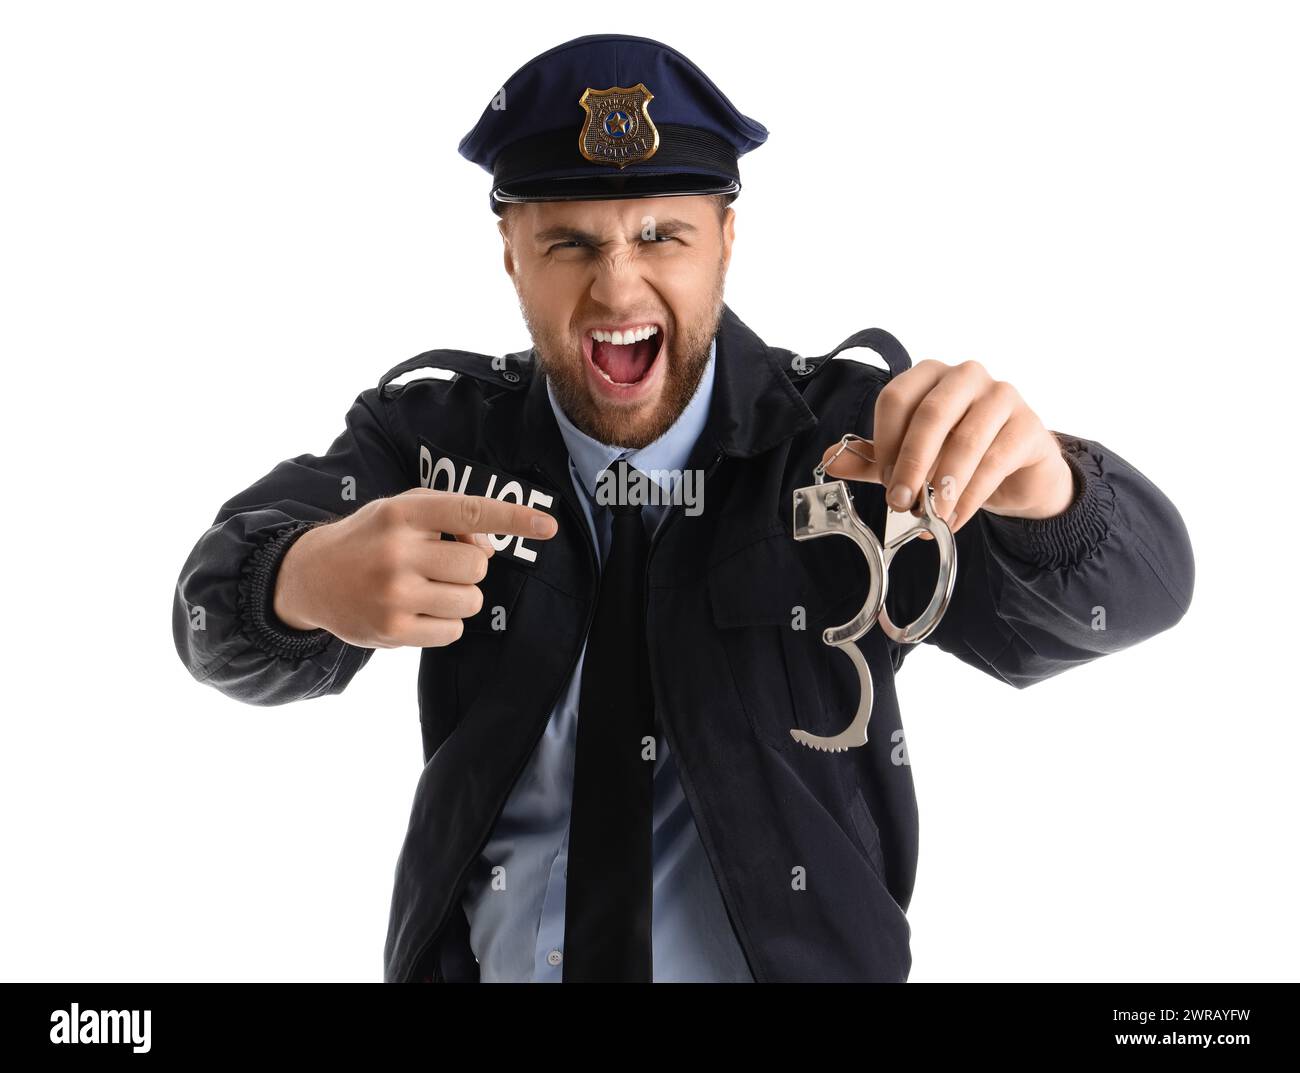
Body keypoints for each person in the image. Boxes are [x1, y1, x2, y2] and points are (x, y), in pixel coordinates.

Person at [172, 33, 1196, 982]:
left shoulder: (851, 443)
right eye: (570, 243)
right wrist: (302, 581)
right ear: (509, 253)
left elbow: (1144, 589)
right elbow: (208, 613)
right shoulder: (431, 441)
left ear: (726, 240)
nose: (619, 289)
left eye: (662, 235)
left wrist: (1047, 496)